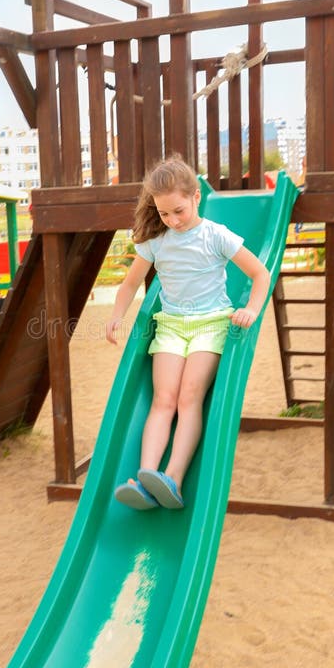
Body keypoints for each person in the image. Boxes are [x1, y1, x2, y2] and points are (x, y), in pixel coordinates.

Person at [106, 155, 270, 511]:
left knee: (188, 397)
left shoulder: (216, 236)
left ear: (197, 197)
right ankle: (145, 477)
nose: (172, 220)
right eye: (164, 214)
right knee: (163, 399)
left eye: (178, 211)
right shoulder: (157, 241)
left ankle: (173, 479)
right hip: (171, 327)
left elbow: (261, 274)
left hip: (211, 324)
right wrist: (117, 317)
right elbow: (130, 284)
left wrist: (251, 310)